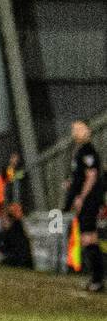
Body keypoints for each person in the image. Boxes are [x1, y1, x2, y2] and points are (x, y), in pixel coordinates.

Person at [63, 120, 103, 292]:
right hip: (87, 200)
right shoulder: (79, 151)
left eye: (78, 129)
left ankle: (98, 279)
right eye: (74, 129)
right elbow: (82, 176)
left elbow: (92, 175)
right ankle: (96, 278)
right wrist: (71, 185)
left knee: (88, 237)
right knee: (87, 237)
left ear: (87, 131)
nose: (75, 132)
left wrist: (81, 197)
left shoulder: (88, 151)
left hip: (89, 201)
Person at [0, 204, 33, 269]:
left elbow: (5, 249)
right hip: (23, 262)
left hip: (17, 262)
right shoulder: (19, 230)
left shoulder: (13, 231)